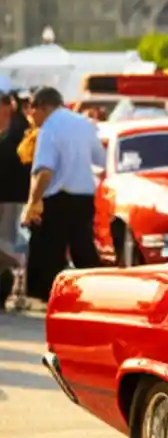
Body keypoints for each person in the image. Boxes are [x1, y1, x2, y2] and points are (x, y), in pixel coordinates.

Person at [21, 87, 104, 304]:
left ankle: (44, 295)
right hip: (84, 196)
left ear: (44, 107)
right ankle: (98, 292)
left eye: (33, 109)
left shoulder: (49, 128)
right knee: (83, 247)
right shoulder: (84, 124)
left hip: (57, 197)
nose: (31, 115)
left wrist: (33, 202)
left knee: (47, 249)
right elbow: (100, 159)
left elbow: (45, 171)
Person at [0, 91, 31, 309]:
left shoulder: (20, 130)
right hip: (7, 194)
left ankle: (20, 276)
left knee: (8, 244)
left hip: (13, 196)